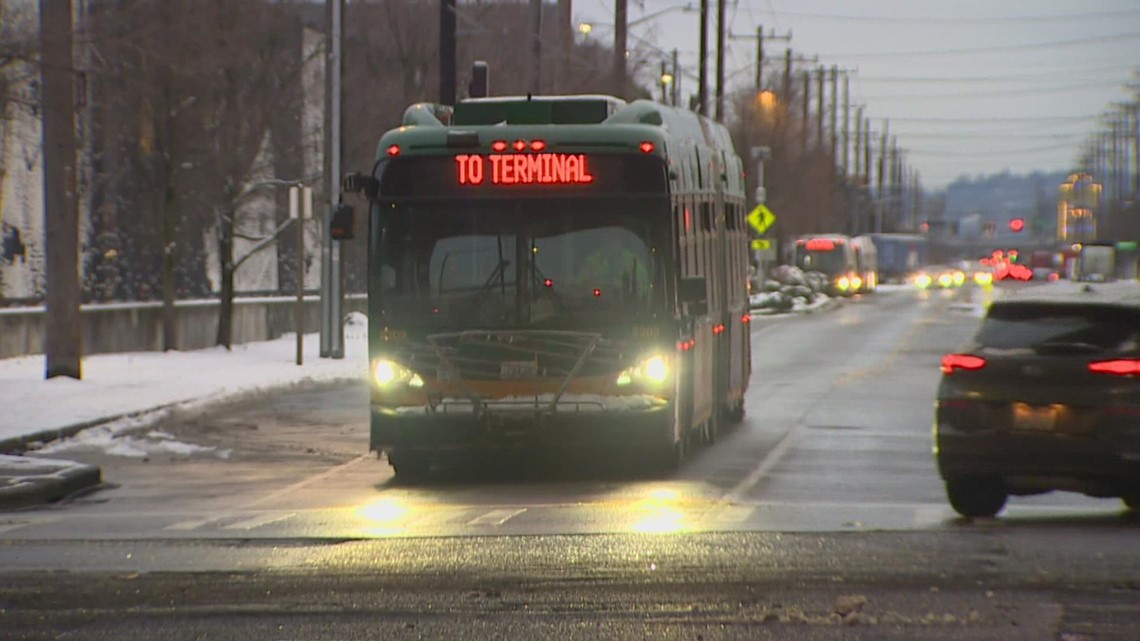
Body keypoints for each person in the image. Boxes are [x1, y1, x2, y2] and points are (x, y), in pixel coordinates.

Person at [575, 233, 650, 297]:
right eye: (607, 237)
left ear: (620, 241)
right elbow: (579, 286)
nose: (610, 240)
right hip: (595, 304)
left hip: (626, 305)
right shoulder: (591, 261)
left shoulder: (633, 261)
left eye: (614, 238)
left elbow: (644, 288)